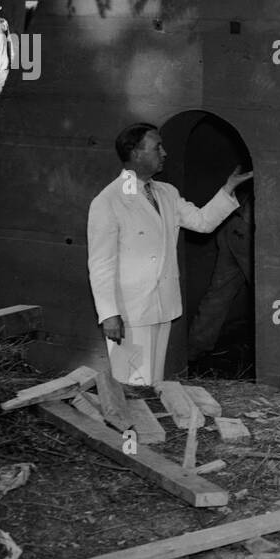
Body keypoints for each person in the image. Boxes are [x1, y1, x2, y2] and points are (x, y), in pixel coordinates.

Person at [87, 122, 253, 387]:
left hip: (161, 306)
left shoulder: (166, 193)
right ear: (136, 153)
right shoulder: (108, 201)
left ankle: (147, 427)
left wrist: (228, 189)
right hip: (130, 313)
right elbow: (100, 264)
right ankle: (130, 429)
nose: (164, 153)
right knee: (132, 384)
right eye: (157, 147)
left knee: (152, 382)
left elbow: (202, 222)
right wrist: (109, 314)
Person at [188, 191, 253, 371]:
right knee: (270, 295)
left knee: (219, 293)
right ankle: (274, 357)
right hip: (247, 230)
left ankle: (194, 351)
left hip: (234, 225)